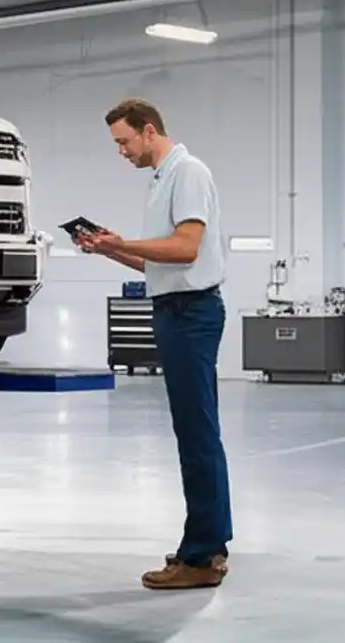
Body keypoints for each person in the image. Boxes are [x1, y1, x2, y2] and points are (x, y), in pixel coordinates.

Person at [75, 98, 232, 590]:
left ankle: (201, 557)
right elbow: (157, 265)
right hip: (174, 309)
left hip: (190, 314)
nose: (121, 152)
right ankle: (210, 545)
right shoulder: (161, 180)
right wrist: (111, 248)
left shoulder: (187, 172)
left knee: (197, 435)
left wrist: (123, 242)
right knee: (197, 433)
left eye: (123, 141)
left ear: (148, 131)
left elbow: (185, 248)